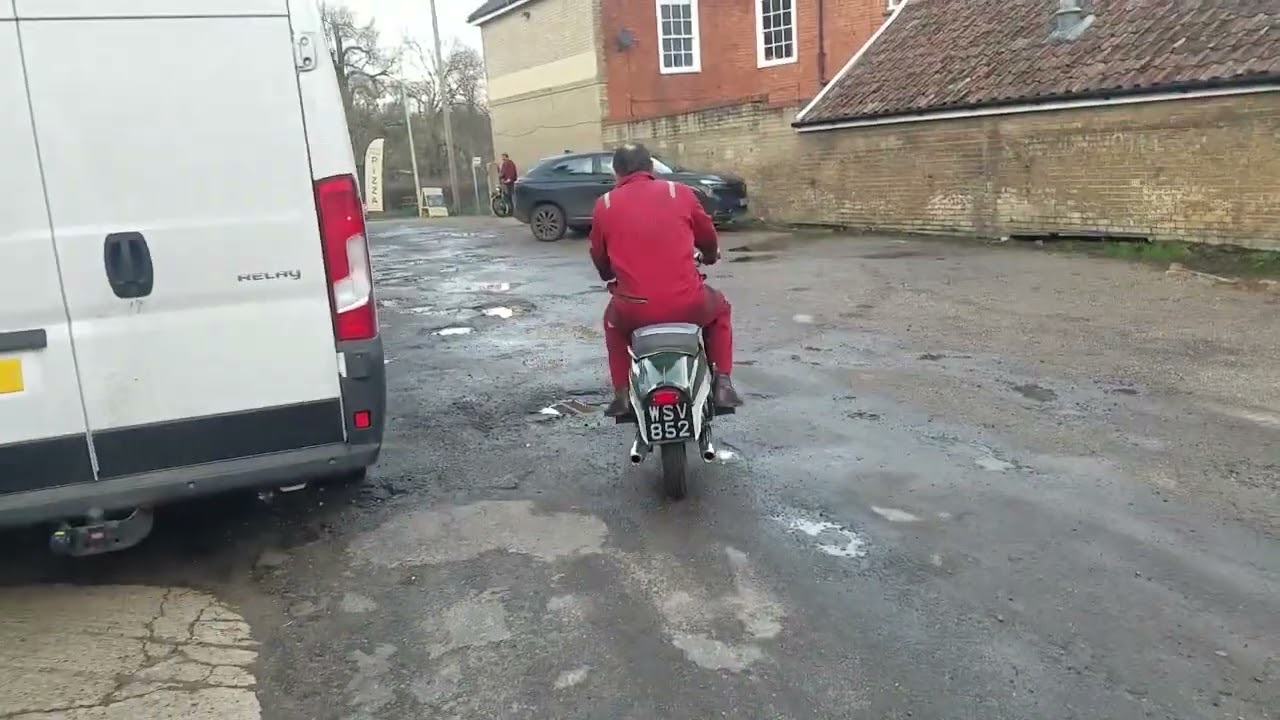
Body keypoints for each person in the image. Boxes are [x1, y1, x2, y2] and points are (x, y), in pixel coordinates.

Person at [588, 143, 743, 417]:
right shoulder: (678, 192)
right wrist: (709, 255)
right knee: (721, 310)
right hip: (689, 304)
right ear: (650, 168)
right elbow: (707, 235)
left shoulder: (605, 204)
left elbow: (599, 255)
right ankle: (722, 383)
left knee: (612, 324)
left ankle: (622, 394)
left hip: (633, 309)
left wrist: (607, 274)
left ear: (616, 172)